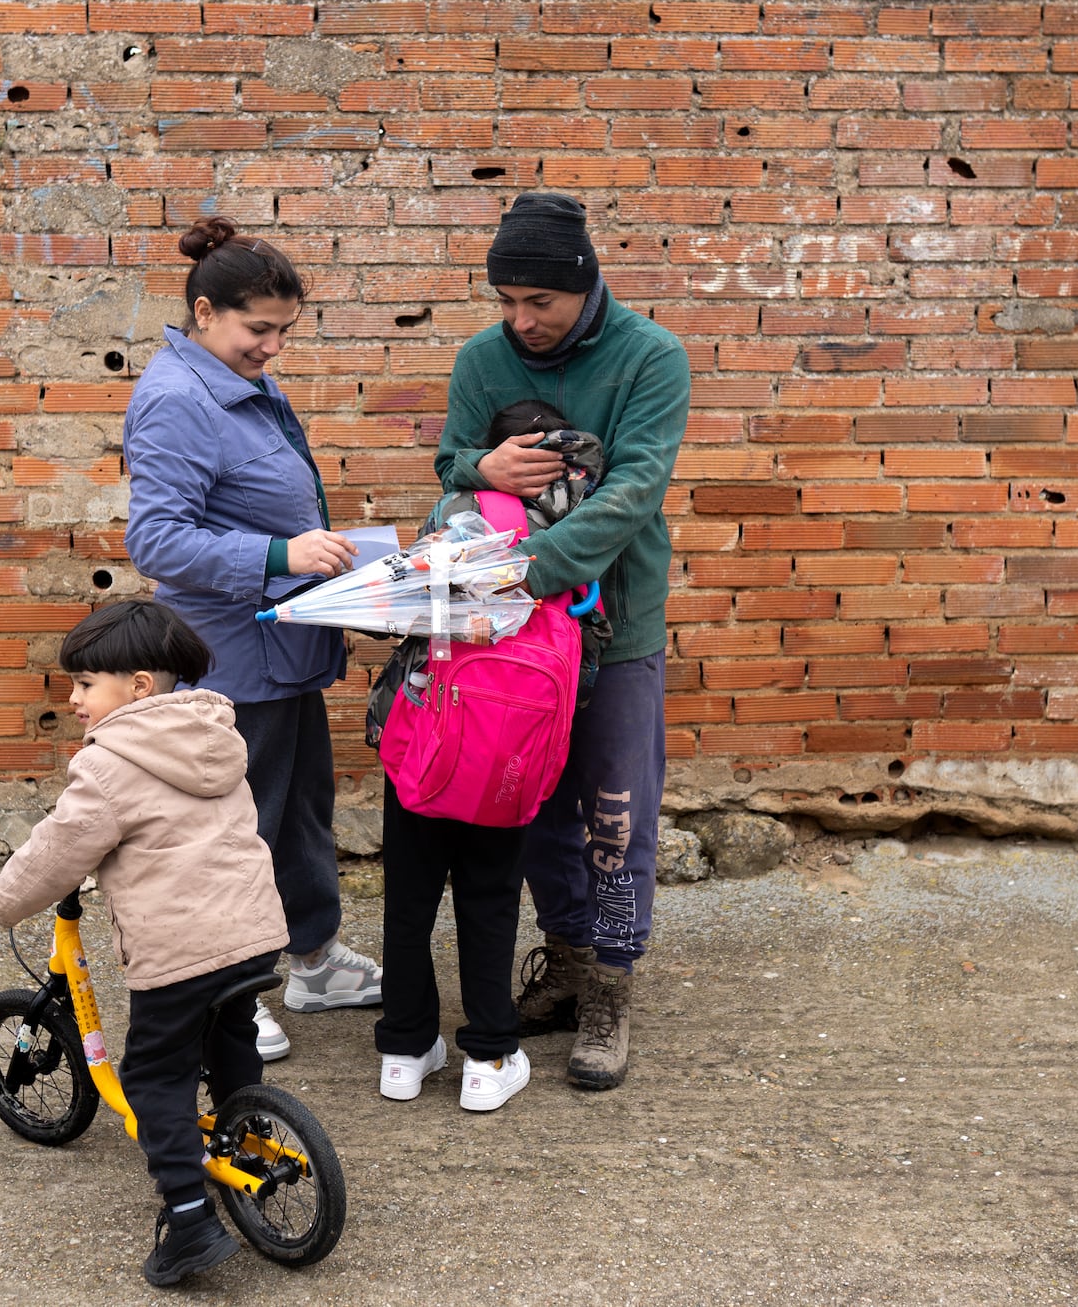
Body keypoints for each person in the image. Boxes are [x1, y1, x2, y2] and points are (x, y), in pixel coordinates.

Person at [435, 192, 691, 1091]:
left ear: (582, 287)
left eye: (538, 302)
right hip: (514, 643)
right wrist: (482, 468)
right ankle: (570, 956)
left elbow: (633, 492)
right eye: (506, 300)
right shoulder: (481, 359)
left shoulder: (650, 358)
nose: (520, 321)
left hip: (615, 629)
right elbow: (450, 472)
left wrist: (526, 569)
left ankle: (613, 984)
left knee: (615, 814)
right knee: (531, 802)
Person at [0, 600, 284, 1287]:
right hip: (254, 934)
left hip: (181, 952)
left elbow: (55, 852)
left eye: (84, 683)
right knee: (230, 1034)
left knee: (152, 1077)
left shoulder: (108, 763)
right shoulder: (215, 732)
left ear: (138, 686)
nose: (73, 699)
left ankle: (191, 1217)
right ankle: (245, 1127)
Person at [123, 218, 382, 1062]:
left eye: (283, 331)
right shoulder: (175, 398)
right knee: (238, 831)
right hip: (228, 654)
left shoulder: (236, 377)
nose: (272, 347)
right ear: (206, 311)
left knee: (299, 813)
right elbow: (157, 540)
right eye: (258, 329)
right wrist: (280, 553)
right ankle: (227, 995)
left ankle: (310, 958)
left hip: (284, 647)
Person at [370, 399, 599, 1113]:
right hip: (510, 753)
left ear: (492, 451)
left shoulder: (455, 508)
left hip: (428, 745)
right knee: (491, 900)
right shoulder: (577, 526)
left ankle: (405, 1053)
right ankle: (488, 1057)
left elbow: (401, 614)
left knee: (408, 901)